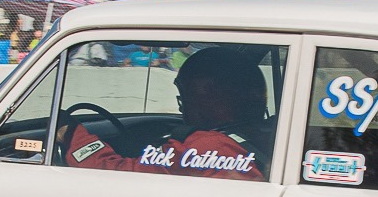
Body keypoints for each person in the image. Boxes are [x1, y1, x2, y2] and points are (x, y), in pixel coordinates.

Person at [64, 47, 270, 181]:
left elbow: (114, 175)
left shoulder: (205, 147)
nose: (182, 107)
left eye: (185, 95)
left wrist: (72, 135)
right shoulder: (270, 132)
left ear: (209, 99)